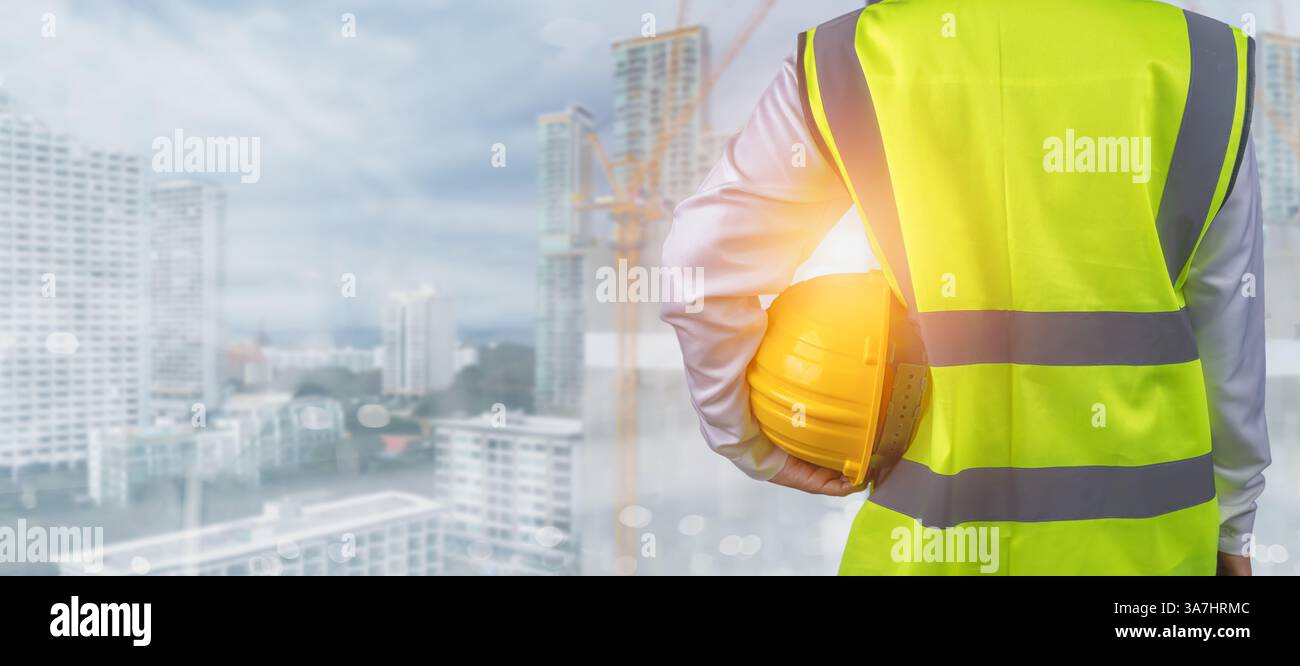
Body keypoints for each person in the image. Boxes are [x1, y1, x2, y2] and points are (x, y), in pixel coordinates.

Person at [661, 0, 1270, 575]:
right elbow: (1229, 334)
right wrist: (1233, 528)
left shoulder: (853, 55)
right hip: (1156, 555)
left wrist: (747, 442)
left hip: (926, 550)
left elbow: (700, 269)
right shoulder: (1205, 59)